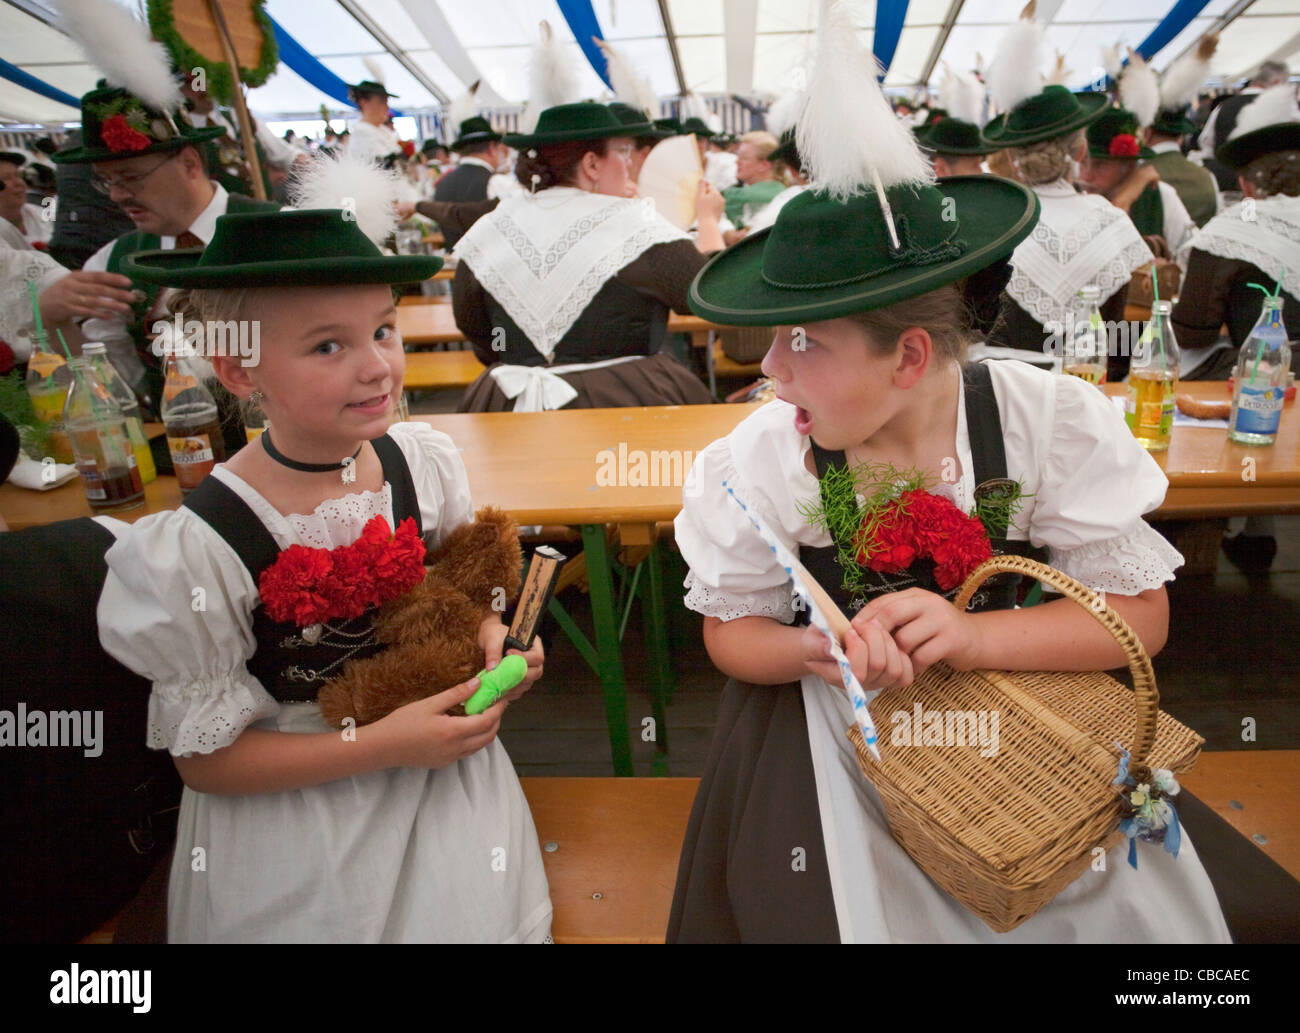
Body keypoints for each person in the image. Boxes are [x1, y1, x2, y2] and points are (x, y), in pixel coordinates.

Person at [665, 3, 1230, 944]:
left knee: (1125, 916)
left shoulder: (1044, 421)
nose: (769, 370)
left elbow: (1141, 620)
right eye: (772, 338)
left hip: (1024, 727)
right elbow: (733, 634)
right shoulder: (765, 453)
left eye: (803, 341)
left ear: (911, 356)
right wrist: (818, 648)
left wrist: (967, 637)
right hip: (831, 734)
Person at [97, 206, 552, 942]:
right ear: (240, 367)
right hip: (298, 800)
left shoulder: (420, 464)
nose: (376, 365)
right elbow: (206, 764)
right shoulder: (201, 546)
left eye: (381, 329)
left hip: (438, 775)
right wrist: (383, 746)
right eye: (327, 345)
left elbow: (458, 596)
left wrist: (495, 634)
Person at [451, 101, 724, 412]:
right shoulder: (634, 224)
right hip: (628, 399)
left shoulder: (493, 228)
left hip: (511, 401)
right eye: (622, 152)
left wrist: (517, 354)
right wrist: (708, 222)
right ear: (592, 164)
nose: (628, 163)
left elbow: (475, 326)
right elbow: (711, 297)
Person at [48, 84, 278, 412]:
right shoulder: (110, 262)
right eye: (107, 181)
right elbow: (119, 395)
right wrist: (55, 323)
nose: (116, 195)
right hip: (181, 454)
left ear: (189, 164)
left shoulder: (283, 231)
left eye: (130, 177)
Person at [1172, 86, 1300, 573]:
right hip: (1280, 375)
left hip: (1266, 378)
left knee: (1197, 371)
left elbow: (1194, 330)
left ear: (1246, 184)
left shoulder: (1233, 229)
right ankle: (1258, 531)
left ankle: (1216, 513)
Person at [982, 87, 1154, 380]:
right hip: (1087, 390)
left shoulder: (992, 222)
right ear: (1081, 151)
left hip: (1000, 390)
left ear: (1012, 158)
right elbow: (1117, 338)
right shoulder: (1110, 222)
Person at [1077, 107, 1196, 258]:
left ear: (1128, 165)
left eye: (1100, 165)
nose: (1086, 176)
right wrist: (1125, 198)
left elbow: (1189, 255)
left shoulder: (1160, 196)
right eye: (1083, 162)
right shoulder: (1073, 197)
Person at [1196, 61, 1290, 192]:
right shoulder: (1283, 109)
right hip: (1268, 187)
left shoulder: (1223, 106)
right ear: (1276, 83)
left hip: (1225, 183)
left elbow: (1205, 143)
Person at [431, 116, 510, 248]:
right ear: (491, 148)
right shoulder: (497, 182)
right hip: (489, 263)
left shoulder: (442, 182)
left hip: (452, 263)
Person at [721, 130, 784, 228]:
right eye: (738, 156)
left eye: (744, 158)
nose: (737, 161)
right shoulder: (780, 189)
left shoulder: (747, 196)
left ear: (764, 165)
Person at [347, 80, 402, 166]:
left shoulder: (382, 130)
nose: (387, 107)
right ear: (364, 102)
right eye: (382, 102)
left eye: (387, 102)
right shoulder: (362, 134)